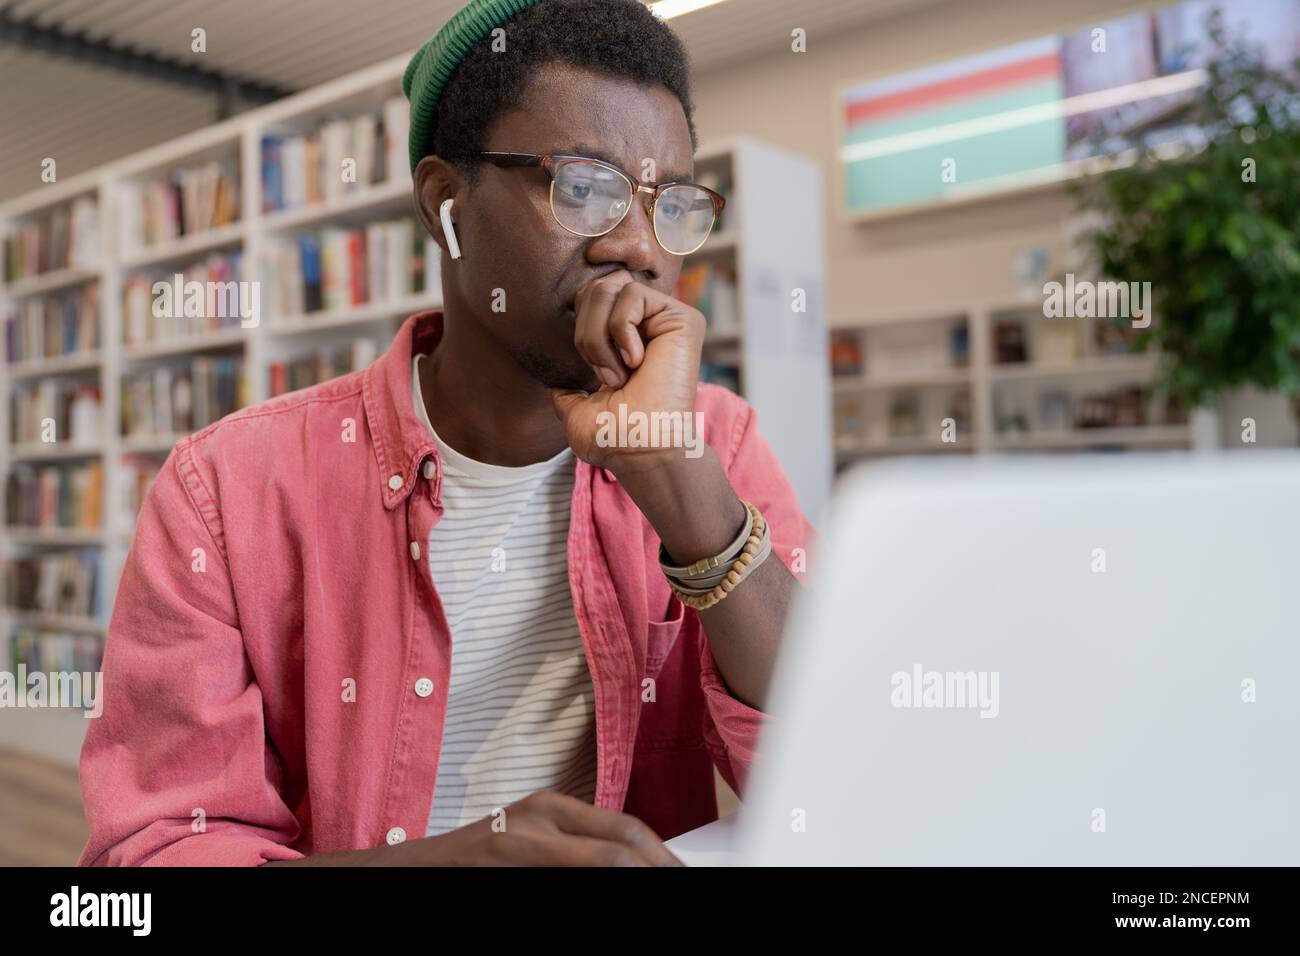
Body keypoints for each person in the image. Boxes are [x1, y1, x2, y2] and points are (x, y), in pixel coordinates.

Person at [78, 0, 813, 867]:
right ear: (445, 204)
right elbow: (156, 855)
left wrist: (685, 491)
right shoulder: (225, 492)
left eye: (671, 205)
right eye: (583, 189)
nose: (639, 249)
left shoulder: (715, 442)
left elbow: (836, 774)